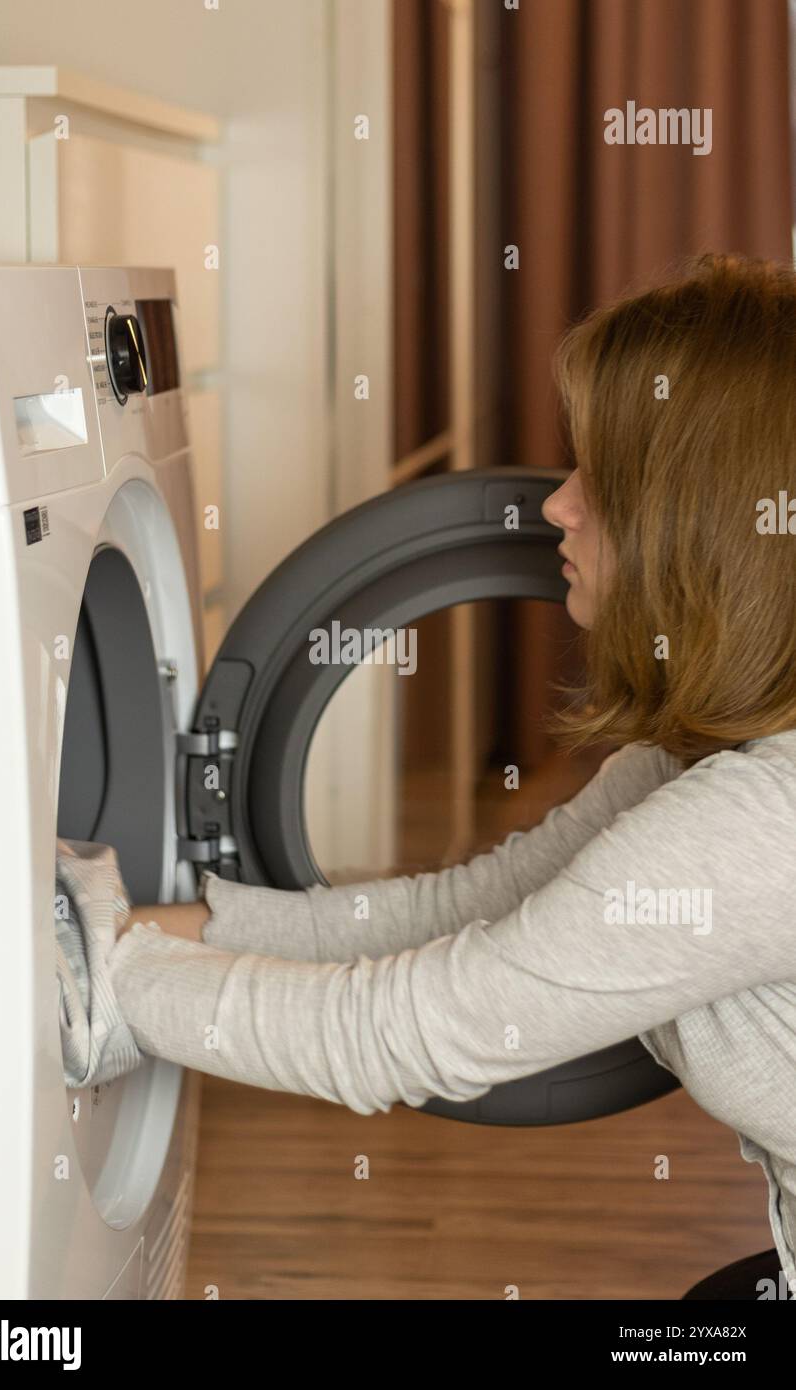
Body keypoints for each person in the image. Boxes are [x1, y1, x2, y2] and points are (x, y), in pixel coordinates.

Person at [68, 251, 796, 1294]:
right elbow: (454, 914)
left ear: (703, 521)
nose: (558, 506)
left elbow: (397, 1034)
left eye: (601, 475)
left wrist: (87, 976)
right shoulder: (692, 767)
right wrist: (123, 928)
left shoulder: (749, 827)